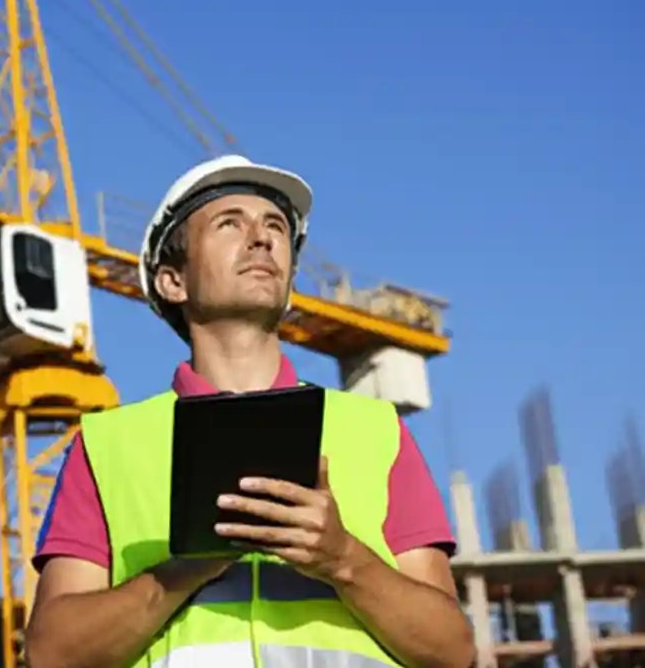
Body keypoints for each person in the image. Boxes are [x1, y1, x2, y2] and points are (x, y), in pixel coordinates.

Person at [23, 155, 474, 668]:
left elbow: (453, 651)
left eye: (275, 227)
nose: (262, 238)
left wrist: (343, 558)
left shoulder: (376, 432)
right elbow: (49, 655)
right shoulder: (108, 446)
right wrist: (188, 568)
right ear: (174, 281)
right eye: (229, 223)